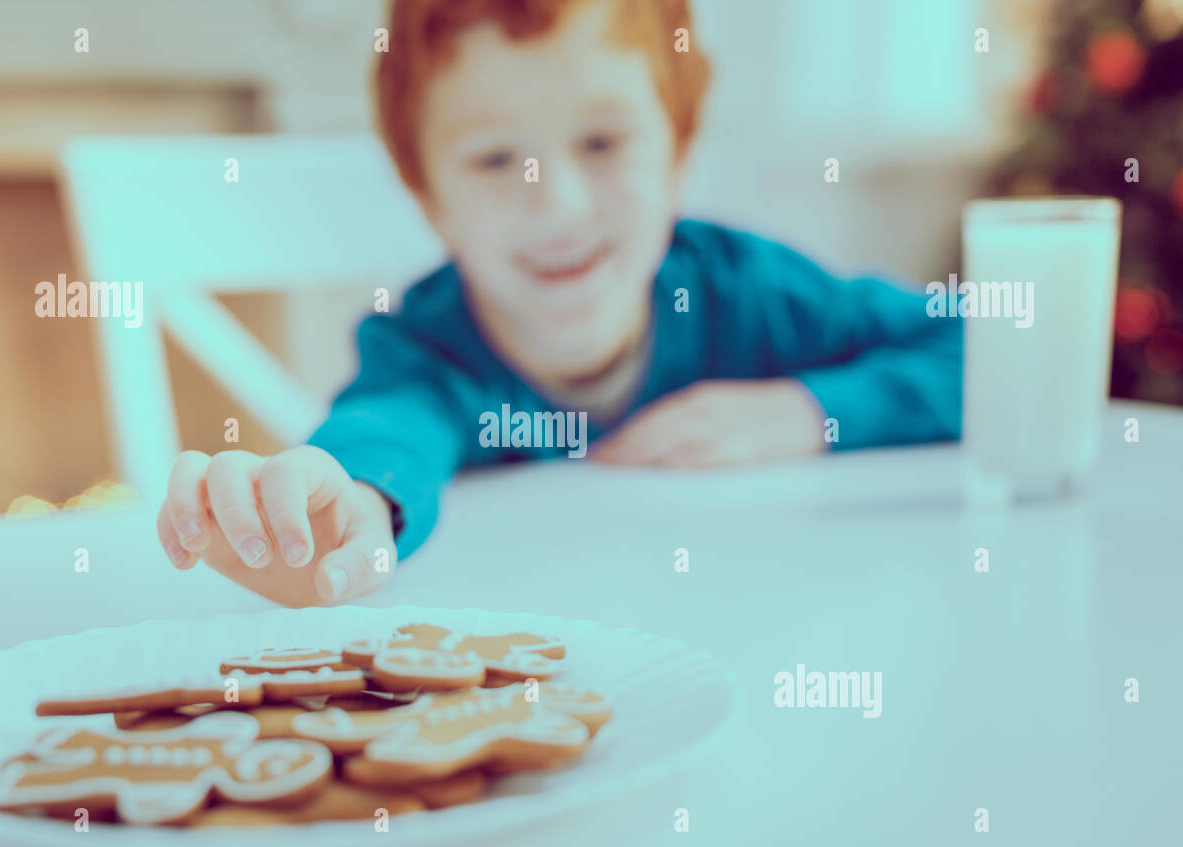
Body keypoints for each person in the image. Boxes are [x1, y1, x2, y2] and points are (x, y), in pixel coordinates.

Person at [155, 0, 961, 607]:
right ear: (428, 197)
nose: (558, 207)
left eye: (603, 143)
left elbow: (978, 347)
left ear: (678, 153)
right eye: (496, 158)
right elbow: (382, 437)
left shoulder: (752, 295)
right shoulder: (430, 354)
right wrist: (346, 506)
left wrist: (808, 410)